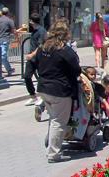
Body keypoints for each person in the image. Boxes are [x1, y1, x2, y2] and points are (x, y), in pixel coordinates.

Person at [30, 19, 80, 163]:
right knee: (59, 122)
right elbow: (76, 69)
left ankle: (51, 145)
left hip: (44, 89)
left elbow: (34, 63)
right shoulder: (65, 50)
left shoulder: (43, 47)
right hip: (60, 90)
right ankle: (53, 153)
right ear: (66, 34)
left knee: (54, 119)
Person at [23, 13, 47, 107]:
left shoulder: (41, 31)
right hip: (32, 58)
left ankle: (42, 96)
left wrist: (32, 54)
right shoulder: (34, 30)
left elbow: (41, 45)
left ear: (31, 21)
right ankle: (33, 96)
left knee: (42, 77)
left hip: (39, 58)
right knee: (27, 76)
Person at [0, 7, 16, 76]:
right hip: (5, 40)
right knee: (3, 56)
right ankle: (8, 69)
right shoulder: (9, 21)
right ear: (8, 13)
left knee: (0, 56)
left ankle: (2, 70)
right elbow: (13, 31)